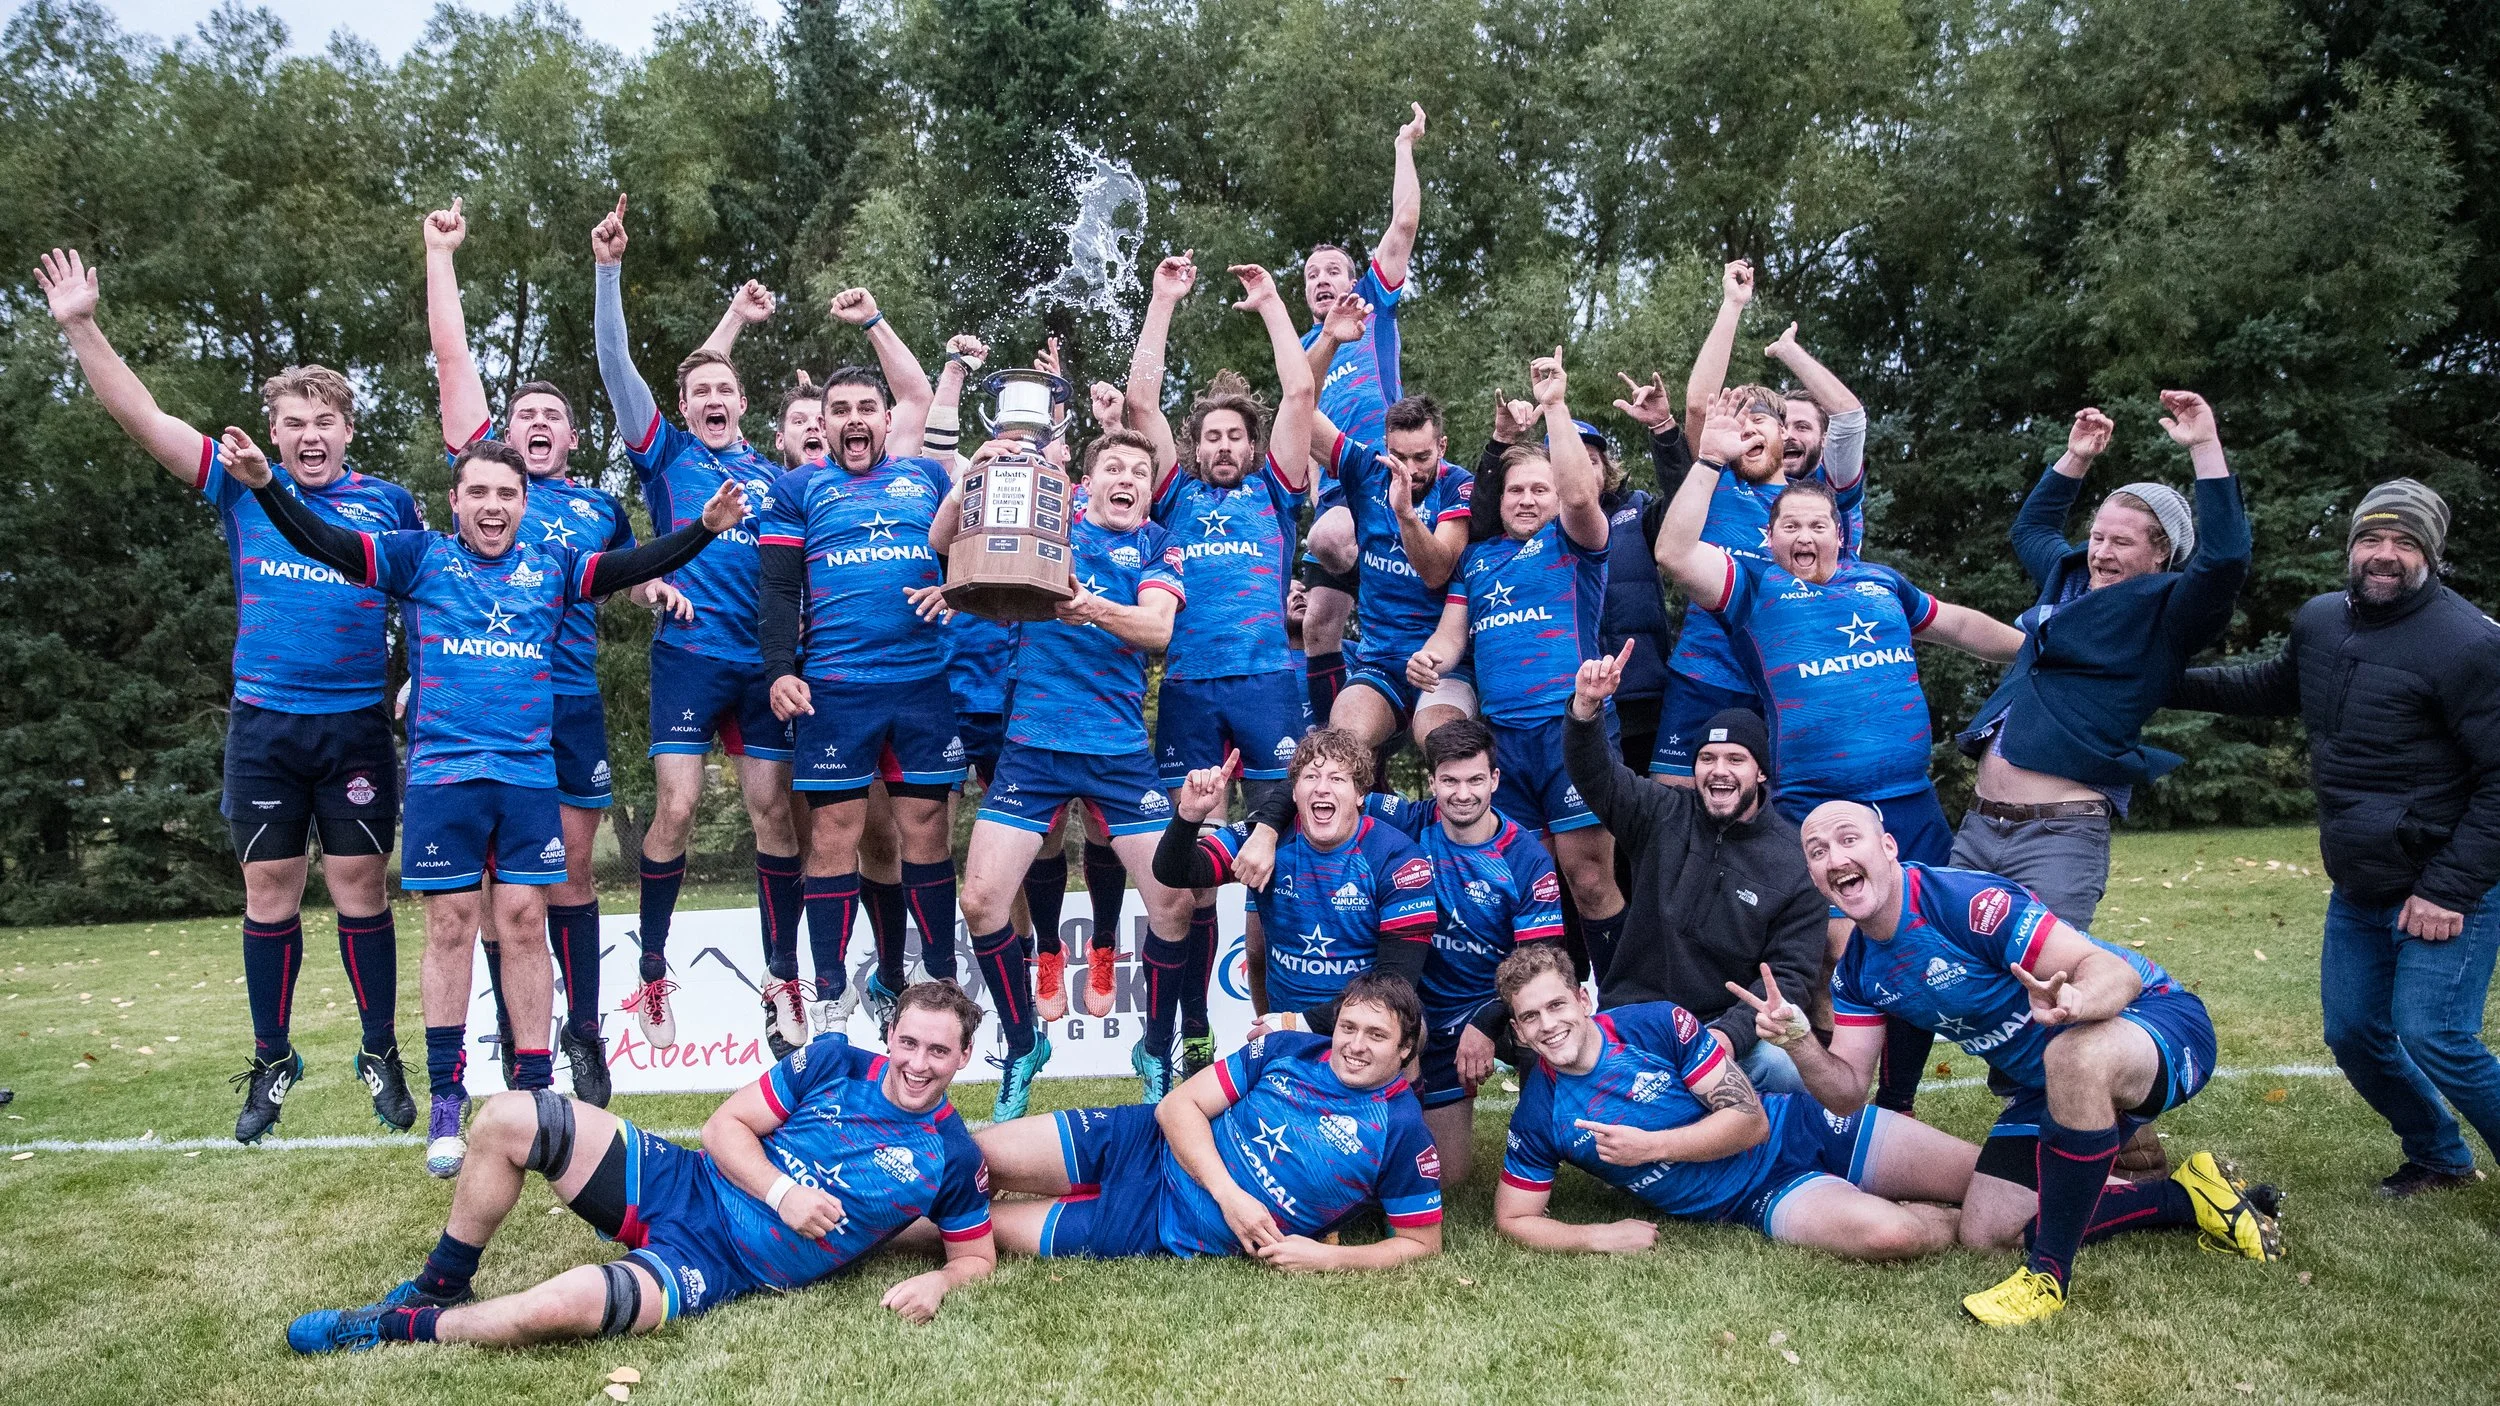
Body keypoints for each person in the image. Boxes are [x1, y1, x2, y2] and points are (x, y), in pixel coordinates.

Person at [241, 430, 741, 1176]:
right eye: (478, 491)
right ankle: (448, 1099)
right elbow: (327, 543)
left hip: (527, 777)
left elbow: (633, 566)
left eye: (506, 494)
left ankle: (536, 1095)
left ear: (523, 504)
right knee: (450, 925)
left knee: (524, 922)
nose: (493, 505)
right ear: (455, 501)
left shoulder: (552, 569)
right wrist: (264, 486)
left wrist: (702, 528)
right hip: (444, 777)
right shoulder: (419, 557)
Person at [36, 248, 422, 1141]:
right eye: (295, 423)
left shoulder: (391, 505)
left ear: (349, 428)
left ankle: (378, 1052)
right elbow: (146, 418)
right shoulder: (242, 483)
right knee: (270, 890)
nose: (310, 435)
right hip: (266, 725)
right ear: (275, 431)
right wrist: (81, 326)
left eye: (325, 420)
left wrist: (415, 688)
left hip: (356, 723)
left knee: (361, 887)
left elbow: (427, 601)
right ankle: (273, 1059)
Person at [1756, 802, 2283, 1326]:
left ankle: (2047, 1278)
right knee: (1986, 1234)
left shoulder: (1965, 902)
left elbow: (2113, 972)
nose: (1835, 858)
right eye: (1818, 851)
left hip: (2157, 1021)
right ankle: (2187, 1197)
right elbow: (1847, 1094)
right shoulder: (1857, 973)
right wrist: (1799, 1042)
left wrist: (2076, 1004)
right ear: (1816, 878)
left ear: (1888, 848)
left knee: (2071, 1053)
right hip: (2047, 1083)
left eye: (1850, 840)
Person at [1657, 388, 2021, 1114]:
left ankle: (1900, 1102)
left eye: (1817, 524)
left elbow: (1960, 627)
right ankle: (1829, 1091)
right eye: (1789, 524)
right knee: (1834, 950)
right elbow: (1672, 551)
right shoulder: (1752, 588)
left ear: (1839, 534)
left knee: (1915, 945)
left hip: (1910, 803)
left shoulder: (1881, 583)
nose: (1804, 535)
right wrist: (1706, 458)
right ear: (1769, 539)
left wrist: (2041, 650)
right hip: (1813, 803)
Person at [283, 982, 994, 1351]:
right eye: (909, 1043)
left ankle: (391, 1329)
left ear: (964, 1057)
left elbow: (975, 1257)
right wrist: (783, 1195)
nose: (918, 1064)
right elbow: (724, 1128)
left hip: (721, 1267)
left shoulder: (951, 1155)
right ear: (890, 1035)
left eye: (938, 1052)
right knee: (506, 1117)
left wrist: (936, 1281)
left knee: (554, 1309)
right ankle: (438, 1287)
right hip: (682, 1182)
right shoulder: (836, 1060)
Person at [423, 199, 688, 1106]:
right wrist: (442, 256)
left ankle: (583, 1032)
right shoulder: (485, 485)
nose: (536, 419)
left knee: (564, 880)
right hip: (484, 715)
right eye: (524, 409)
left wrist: (655, 586)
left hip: (566, 705)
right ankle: (515, 1037)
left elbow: (621, 571)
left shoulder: (596, 510)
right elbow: (453, 358)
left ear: (571, 441)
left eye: (552, 414)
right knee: (499, 894)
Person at [2172, 478, 2500, 1198]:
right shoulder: (2323, 620)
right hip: (2360, 882)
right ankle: (2440, 1157)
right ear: (2351, 546)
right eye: (2372, 539)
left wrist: (2447, 888)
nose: (2385, 554)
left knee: (2435, 1033)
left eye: (2405, 542)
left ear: (2432, 554)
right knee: (2354, 1035)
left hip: (2447, 881)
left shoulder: (2469, 643)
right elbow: (2270, 687)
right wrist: (2157, 680)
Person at [591, 195, 811, 1053]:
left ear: (742, 402)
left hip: (761, 665)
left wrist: (731, 328)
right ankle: (651, 974)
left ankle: (781, 980)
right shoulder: (669, 455)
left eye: (725, 389)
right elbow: (619, 370)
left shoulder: (773, 473)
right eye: (699, 392)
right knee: (677, 808)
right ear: (683, 409)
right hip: (688, 655)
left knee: (773, 815)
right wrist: (610, 271)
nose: (713, 398)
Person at [933, 429, 1197, 1114]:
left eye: (1139, 471)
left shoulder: (1158, 544)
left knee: (1174, 907)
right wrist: (977, 475)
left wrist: (1094, 609)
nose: (1128, 478)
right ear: (1086, 483)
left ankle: (1156, 1048)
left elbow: (1160, 630)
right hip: (1033, 747)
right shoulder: (1055, 524)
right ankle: (1024, 1046)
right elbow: (942, 543)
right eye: (1113, 466)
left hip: (1116, 752)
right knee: (982, 902)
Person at [1122, 258, 1318, 1082]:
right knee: (1190, 871)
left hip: (1270, 685)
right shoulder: (1174, 498)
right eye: (1213, 436)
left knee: (1286, 859)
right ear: (1197, 446)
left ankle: (1279, 1024)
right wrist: (1163, 300)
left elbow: (1301, 396)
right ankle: (1193, 1030)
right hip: (1193, 694)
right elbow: (1140, 406)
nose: (1226, 446)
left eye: (1238, 434)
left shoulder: (1277, 491)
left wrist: (1274, 303)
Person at [1952, 396, 2248, 928]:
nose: (2101, 552)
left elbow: (2225, 558)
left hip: (2058, 839)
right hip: (1979, 829)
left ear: (2161, 554)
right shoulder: (2068, 576)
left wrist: (2205, 446)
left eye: (2122, 542)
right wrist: (2076, 458)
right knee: (1960, 978)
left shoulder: (2171, 609)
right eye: (2099, 536)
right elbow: (2031, 530)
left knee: (2047, 986)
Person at [759, 294, 965, 1051]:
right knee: (835, 836)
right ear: (823, 424)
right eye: (837, 409)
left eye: (865, 407)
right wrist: (781, 668)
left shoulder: (926, 479)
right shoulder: (797, 490)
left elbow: (966, 557)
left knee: (924, 831)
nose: (853, 418)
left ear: (886, 419)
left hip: (919, 684)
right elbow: (778, 591)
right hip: (836, 687)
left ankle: (938, 983)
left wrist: (957, 588)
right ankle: (827, 992)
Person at [1491, 945, 1979, 1260]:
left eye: (1556, 1005)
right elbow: (1514, 1218)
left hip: (1802, 1126)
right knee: (1893, 1235)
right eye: (1530, 1016)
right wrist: (1597, 1236)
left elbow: (1752, 1123)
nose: (1548, 1024)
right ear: (1517, 1030)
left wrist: (1651, 1147)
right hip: (1754, 1196)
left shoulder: (1656, 1024)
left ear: (1582, 1000)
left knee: (1986, 1175)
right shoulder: (1540, 1114)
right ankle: (1963, 1223)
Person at [972, 972, 1441, 1268]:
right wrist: (1230, 1195)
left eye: (1376, 1035)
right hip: (1138, 1141)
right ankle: (898, 1180)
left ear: (1404, 1051)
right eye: (1348, 1027)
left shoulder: (1401, 1130)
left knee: (970, 1228)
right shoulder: (1287, 1050)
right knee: (973, 1159)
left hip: (1158, 1224)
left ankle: (897, 1226)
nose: (1355, 1045)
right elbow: (1176, 1108)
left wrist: (1326, 1259)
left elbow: (1421, 1245)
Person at [1408, 348, 1625, 967]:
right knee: (1525, 887)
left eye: (1541, 489)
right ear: (1497, 499)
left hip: (1573, 734)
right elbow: (1451, 638)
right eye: (1515, 490)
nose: (1527, 499)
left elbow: (1583, 499)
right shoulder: (1476, 561)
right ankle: (1539, 1026)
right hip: (1505, 744)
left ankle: (1615, 1013)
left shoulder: (1577, 541)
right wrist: (1429, 661)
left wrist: (1555, 405)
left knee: (1588, 880)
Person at [1562, 644, 1824, 1096]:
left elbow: (1791, 976)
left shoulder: (1795, 865)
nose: (1718, 771)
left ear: (1762, 772)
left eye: (1735, 760)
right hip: (1636, 1018)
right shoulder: (1660, 812)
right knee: (1578, 1093)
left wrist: (1726, 1037)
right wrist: (1587, 708)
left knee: (1787, 1069)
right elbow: (1595, 774)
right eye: (1707, 759)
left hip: (1726, 1030)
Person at [1648, 263, 1869, 786]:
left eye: (1759, 420)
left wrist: (1789, 352)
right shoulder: (1717, 485)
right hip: (1703, 676)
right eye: (1737, 419)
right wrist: (1732, 306)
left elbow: (1850, 419)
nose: (1745, 428)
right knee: (1678, 810)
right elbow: (1701, 403)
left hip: (1790, 680)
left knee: (1784, 819)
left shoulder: (1817, 504)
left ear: (1783, 436)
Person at [1347, 720, 1564, 1184]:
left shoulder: (1526, 859)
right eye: (1449, 781)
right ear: (1432, 782)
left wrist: (1487, 1021)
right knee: (1446, 1178)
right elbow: (1331, 788)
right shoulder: (1410, 821)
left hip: (1495, 1008)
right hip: (1422, 1013)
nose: (1462, 794)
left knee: (1545, 1028)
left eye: (1475, 780)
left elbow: (1539, 969)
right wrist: (1264, 832)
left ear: (1495, 781)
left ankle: (1541, 1148)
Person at [1154, 729, 1435, 1037]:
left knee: (1411, 1030)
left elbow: (1394, 988)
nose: (1322, 789)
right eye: (1311, 777)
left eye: (1337, 779)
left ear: (1360, 795)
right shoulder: (1262, 840)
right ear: (1293, 791)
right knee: (1199, 1089)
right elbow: (1175, 872)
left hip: (1363, 1032)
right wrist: (1188, 817)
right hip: (1285, 1032)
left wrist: (1297, 1023)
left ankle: (1405, 1088)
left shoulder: (1398, 858)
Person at [1298, 104, 1427, 724]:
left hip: (1380, 473)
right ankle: (1342, 748)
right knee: (1319, 623)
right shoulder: (1304, 349)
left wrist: (1404, 144)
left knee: (1333, 538)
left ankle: (1389, 629)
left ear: (1352, 280)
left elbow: (1403, 222)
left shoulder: (1373, 307)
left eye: (1333, 270)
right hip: (1336, 481)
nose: (1322, 279)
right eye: (1311, 275)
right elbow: (1298, 419)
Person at [1301, 310, 1474, 755]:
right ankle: (1367, 812)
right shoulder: (1366, 469)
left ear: (1442, 447)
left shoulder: (1460, 485)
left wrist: (1406, 514)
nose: (1410, 470)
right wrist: (1329, 342)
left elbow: (1438, 571)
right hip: (1379, 661)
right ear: (1385, 445)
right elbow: (1302, 411)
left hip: (1443, 663)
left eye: (1421, 457)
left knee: (1443, 744)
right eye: (1399, 456)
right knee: (1342, 745)